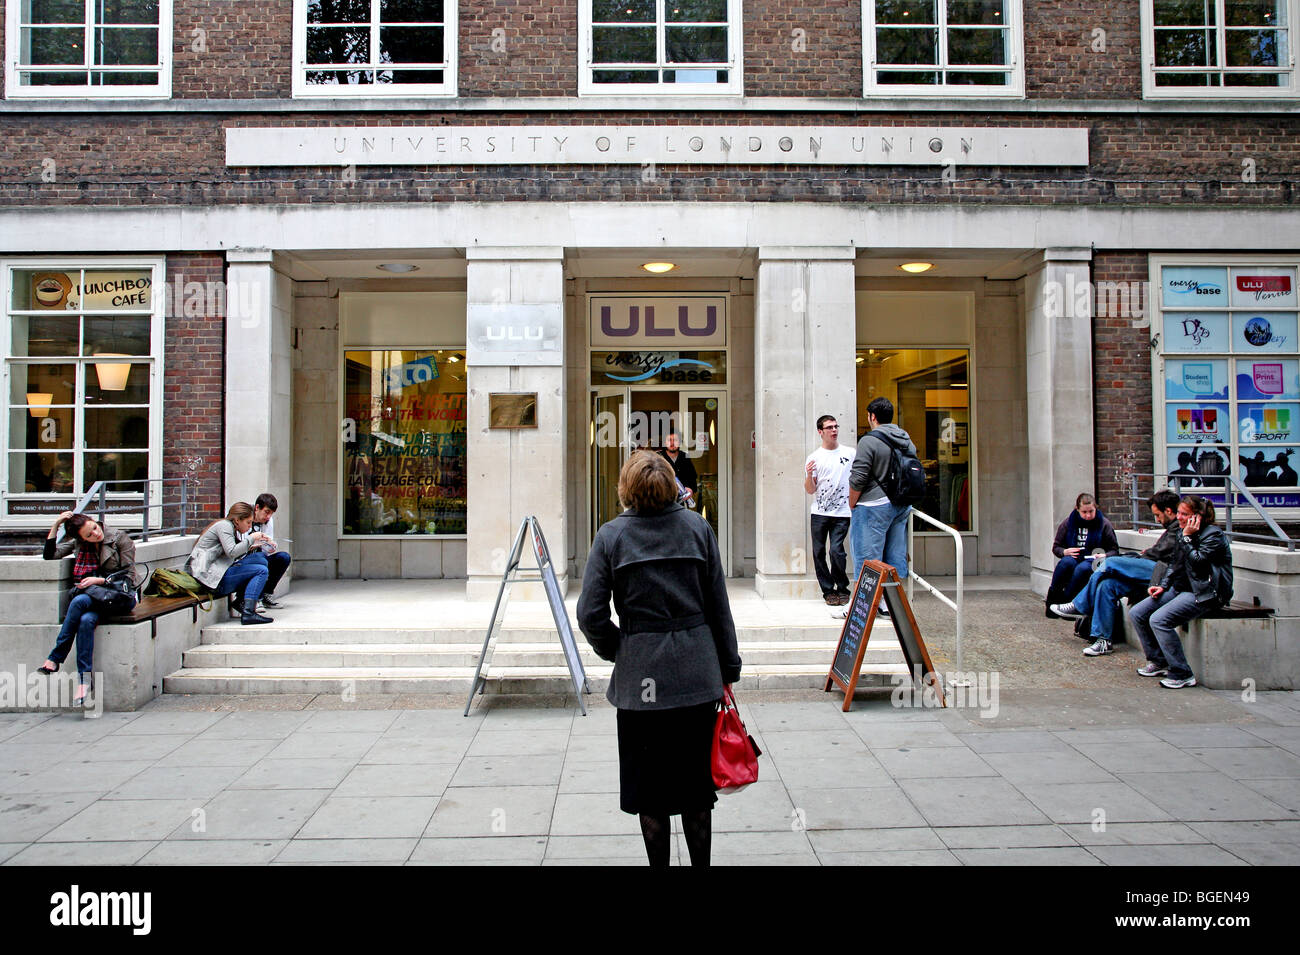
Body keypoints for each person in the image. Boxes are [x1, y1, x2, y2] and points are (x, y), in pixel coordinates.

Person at [577, 451, 742, 868]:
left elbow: (589, 614)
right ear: (673, 484)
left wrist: (622, 648)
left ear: (625, 487)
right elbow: (719, 606)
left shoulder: (611, 536)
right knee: (695, 792)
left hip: (641, 682)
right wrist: (729, 665)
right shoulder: (697, 528)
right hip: (695, 676)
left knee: (650, 794)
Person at [1050, 489, 1181, 656]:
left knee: (1108, 563)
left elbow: (1161, 554)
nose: (1156, 519)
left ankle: (1079, 605)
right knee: (1107, 585)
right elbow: (1162, 551)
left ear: (1168, 511)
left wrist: (1141, 556)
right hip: (1156, 570)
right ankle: (1103, 640)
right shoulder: (1175, 527)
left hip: (1164, 574)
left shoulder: (1181, 527)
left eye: (1157, 515)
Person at [37, 510, 145, 705]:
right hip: (95, 599)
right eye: (88, 534)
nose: (95, 534)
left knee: (78, 601)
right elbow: (50, 555)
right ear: (81, 538)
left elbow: (128, 578)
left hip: (120, 597)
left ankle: (55, 657)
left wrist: (100, 580)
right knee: (85, 621)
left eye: (94, 528)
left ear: (95, 521)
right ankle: (84, 681)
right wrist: (56, 525)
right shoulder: (80, 544)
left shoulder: (120, 539)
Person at [1129, 495, 1233, 689]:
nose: (1180, 517)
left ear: (1198, 516)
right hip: (1181, 588)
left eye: (1185, 514)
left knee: (1159, 620)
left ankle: (1182, 672)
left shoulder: (1213, 535)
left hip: (1206, 592)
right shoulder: (1181, 532)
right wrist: (1163, 585)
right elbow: (1174, 564)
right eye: (1179, 513)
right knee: (1137, 612)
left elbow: (1199, 561)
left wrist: (1187, 538)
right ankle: (1159, 661)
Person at [847, 397, 917, 619]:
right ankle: (888, 604)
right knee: (894, 556)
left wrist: (852, 502)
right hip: (900, 505)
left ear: (872, 417)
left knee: (867, 558)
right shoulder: (906, 439)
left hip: (873, 505)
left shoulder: (869, 441)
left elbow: (858, 477)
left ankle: (861, 607)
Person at [188, 502, 275, 625]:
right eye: (248, 522)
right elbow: (232, 552)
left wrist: (258, 544)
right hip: (210, 580)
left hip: (218, 572)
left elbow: (233, 553)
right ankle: (248, 613)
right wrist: (251, 538)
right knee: (261, 570)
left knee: (260, 558)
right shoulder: (225, 526)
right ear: (238, 520)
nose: (250, 527)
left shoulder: (229, 526)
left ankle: (240, 602)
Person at [805, 414, 855, 606]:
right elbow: (810, 489)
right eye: (829, 427)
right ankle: (828, 591)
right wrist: (809, 474)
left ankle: (842, 588)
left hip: (842, 512)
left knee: (836, 551)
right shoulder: (814, 457)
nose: (834, 430)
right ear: (820, 432)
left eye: (836, 426)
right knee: (818, 552)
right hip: (819, 513)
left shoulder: (850, 453)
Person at [1044, 492, 1119, 618]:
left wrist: (1104, 555)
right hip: (1073, 556)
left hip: (1092, 559)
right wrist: (1064, 552)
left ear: (1096, 508)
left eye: (1091, 511)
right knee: (1065, 564)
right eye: (1084, 512)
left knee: (1082, 569)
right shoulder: (1068, 523)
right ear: (1077, 510)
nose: (1088, 515)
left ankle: (1068, 602)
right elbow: (1056, 547)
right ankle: (1053, 600)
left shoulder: (1104, 524)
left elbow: (1114, 550)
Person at [251, 492, 291, 610]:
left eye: (271, 514)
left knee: (283, 557)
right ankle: (255, 598)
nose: (268, 517)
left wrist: (270, 543)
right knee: (260, 560)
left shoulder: (268, 521)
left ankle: (267, 594)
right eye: (266, 512)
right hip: (244, 557)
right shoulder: (245, 517)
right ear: (257, 508)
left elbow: (267, 550)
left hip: (260, 555)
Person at [659, 428, 698, 507]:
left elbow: (692, 478)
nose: (672, 443)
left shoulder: (685, 457)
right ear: (664, 442)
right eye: (669, 440)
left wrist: (691, 489)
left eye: (675, 440)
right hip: (662, 502)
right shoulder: (658, 457)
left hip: (681, 503)